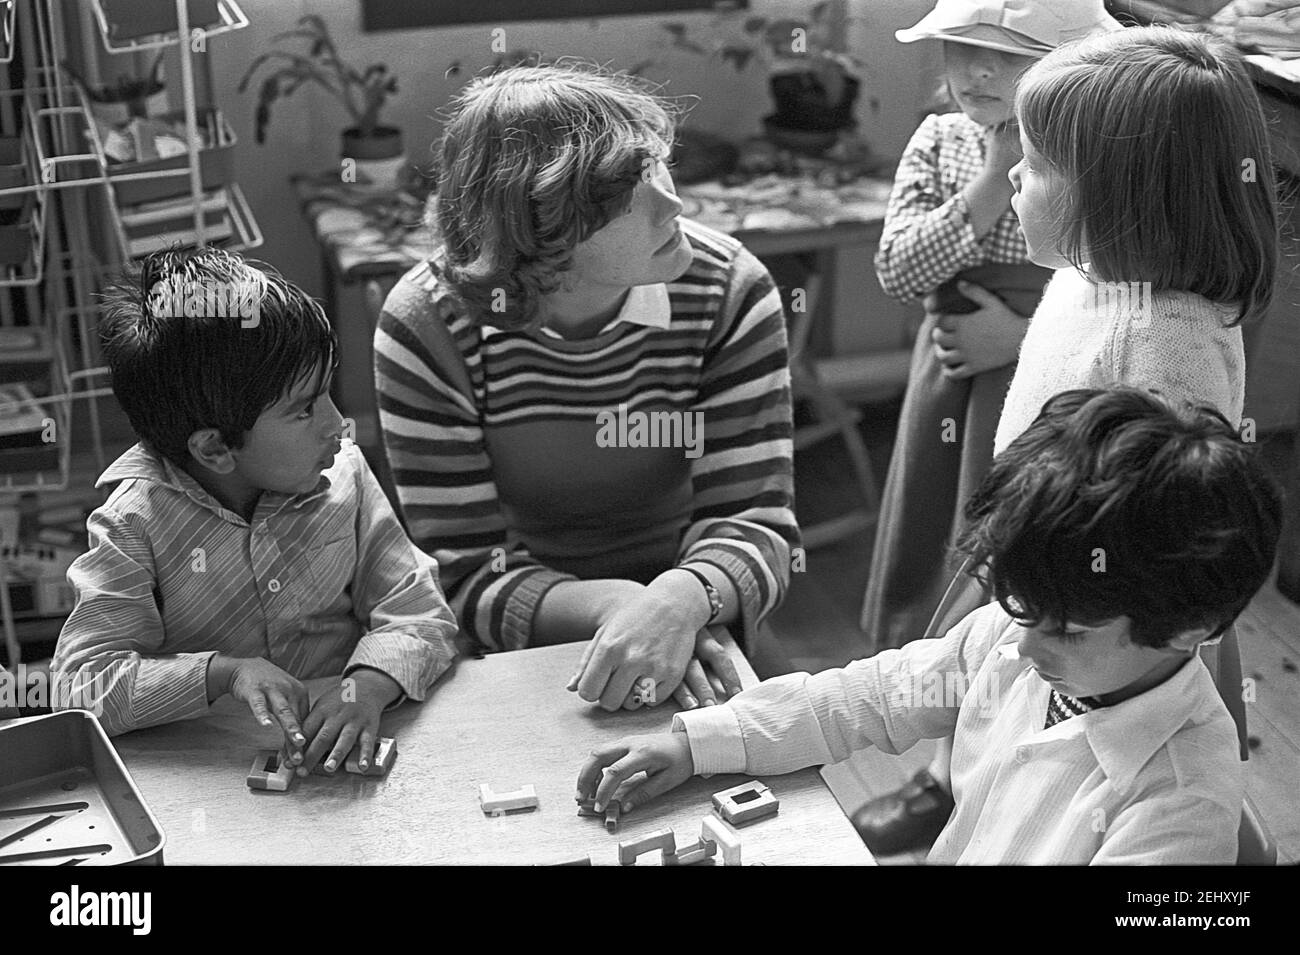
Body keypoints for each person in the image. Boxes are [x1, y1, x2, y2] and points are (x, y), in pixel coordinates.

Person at [859, 23, 1279, 853]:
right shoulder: (1092, 271)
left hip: (1098, 600)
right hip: (1042, 543)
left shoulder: (1168, 342)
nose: (1014, 170)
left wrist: (1063, 605)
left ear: (1125, 196)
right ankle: (965, 787)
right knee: (990, 706)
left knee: (1126, 774)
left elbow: (1163, 533)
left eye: (1041, 162)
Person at [577, 388, 1284, 864]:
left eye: (1067, 632)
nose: (1025, 645)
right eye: (1019, 607)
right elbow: (868, 697)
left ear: (1191, 624)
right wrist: (699, 742)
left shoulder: (1183, 803)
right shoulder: (1011, 639)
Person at [373, 65, 797, 712]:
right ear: (540, 234)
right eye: (630, 194)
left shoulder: (730, 290)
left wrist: (679, 601)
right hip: (527, 633)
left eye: (660, 167)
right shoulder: (426, 325)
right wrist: (625, 607)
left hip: (701, 606)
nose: (673, 202)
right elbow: (464, 574)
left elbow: (758, 524)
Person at [856, 0, 1123, 853]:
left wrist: (1020, 331)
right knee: (942, 550)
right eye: (962, 50)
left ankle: (1007, 766)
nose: (974, 73)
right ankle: (935, 771)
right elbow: (899, 268)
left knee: (1017, 567)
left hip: (1055, 379)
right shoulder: (940, 142)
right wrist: (990, 173)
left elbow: (1115, 272)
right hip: (955, 383)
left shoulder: (1098, 149)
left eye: (1003, 57)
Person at [53, 249, 457, 778]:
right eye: (305, 408)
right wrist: (222, 674)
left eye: (328, 393)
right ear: (215, 449)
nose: (339, 424)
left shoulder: (345, 473)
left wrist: (371, 686)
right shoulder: (133, 523)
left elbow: (421, 613)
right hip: (211, 784)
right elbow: (79, 687)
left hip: (347, 770)